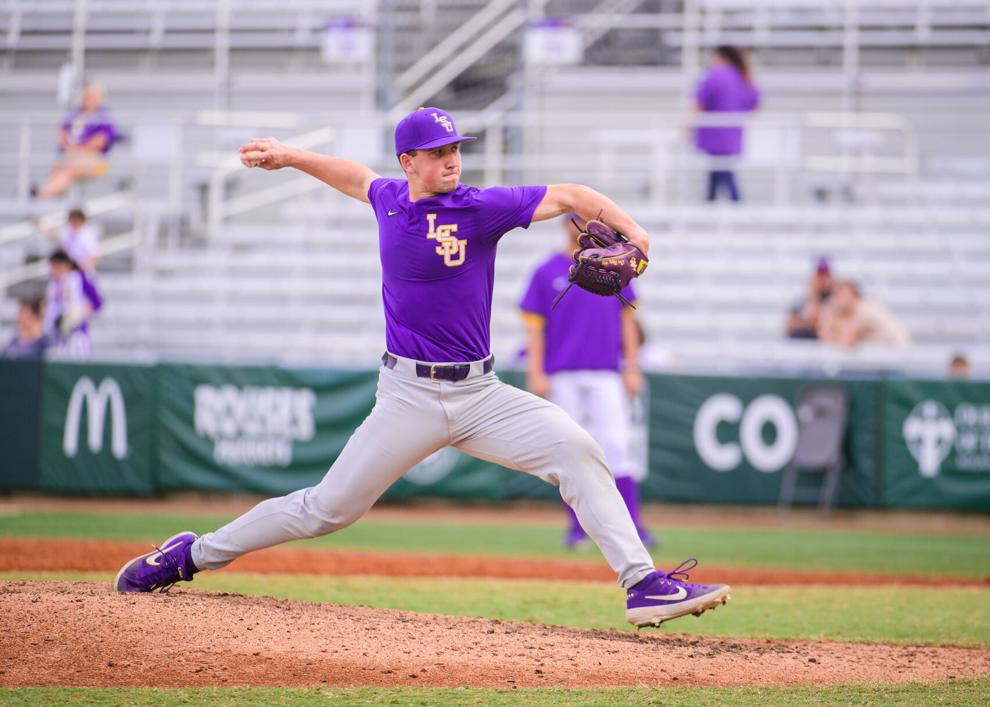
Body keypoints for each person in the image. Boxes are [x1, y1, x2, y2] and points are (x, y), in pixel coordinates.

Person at [113, 106, 730, 628]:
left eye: (454, 148)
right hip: (408, 396)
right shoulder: (389, 199)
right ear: (409, 162)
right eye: (437, 152)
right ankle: (194, 555)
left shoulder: (481, 208)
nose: (451, 159)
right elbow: (355, 176)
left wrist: (634, 231)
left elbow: (571, 196)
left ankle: (642, 582)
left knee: (577, 449)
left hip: (482, 393)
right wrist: (292, 155)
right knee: (328, 509)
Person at [520, 215, 656, 549]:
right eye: (575, 220)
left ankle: (634, 526)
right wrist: (536, 372)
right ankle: (578, 529)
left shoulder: (615, 264)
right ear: (566, 225)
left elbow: (628, 322)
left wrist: (633, 368)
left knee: (617, 446)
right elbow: (535, 328)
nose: (580, 226)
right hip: (561, 371)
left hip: (606, 369)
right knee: (568, 452)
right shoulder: (546, 270)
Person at [693, 45, 760, 202]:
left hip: (715, 135)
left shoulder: (714, 76)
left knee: (722, 170)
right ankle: (713, 201)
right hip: (733, 134)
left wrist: (686, 128)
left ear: (720, 57)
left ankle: (731, 203)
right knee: (720, 170)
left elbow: (698, 104)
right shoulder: (743, 78)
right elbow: (755, 105)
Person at [35, 83, 119, 199]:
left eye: (91, 96)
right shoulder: (74, 115)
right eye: (86, 96)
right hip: (71, 158)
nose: (88, 99)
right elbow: (61, 133)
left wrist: (75, 150)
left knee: (68, 170)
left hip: (97, 162)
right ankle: (50, 194)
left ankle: (42, 194)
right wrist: (68, 147)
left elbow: (99, 142)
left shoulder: (104, 118)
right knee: (60, 168)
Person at [817, 280, 910, 348]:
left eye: (844, 295)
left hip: (893, 353)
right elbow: (825, 336)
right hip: (877, 355)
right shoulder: (839, 308)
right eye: (838, 295)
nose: (839, 299)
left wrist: (834, 323)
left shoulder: (866, 310)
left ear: (854, 296)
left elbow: (847, 341)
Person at [43, 250, 93, 359]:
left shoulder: (78, 279)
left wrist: (79, 312)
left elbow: (97, 302)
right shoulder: (53, 284)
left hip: (76, 333)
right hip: (57, 334)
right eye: (53, 266)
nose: (54, 270)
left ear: (67, 265)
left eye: (57, 266)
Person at [786, 257, 834, 340]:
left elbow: (819, 321)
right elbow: (790, 323)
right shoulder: (804, 298)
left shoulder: (834, 298)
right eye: (819, 274)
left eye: (825, 275)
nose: (822, 279)